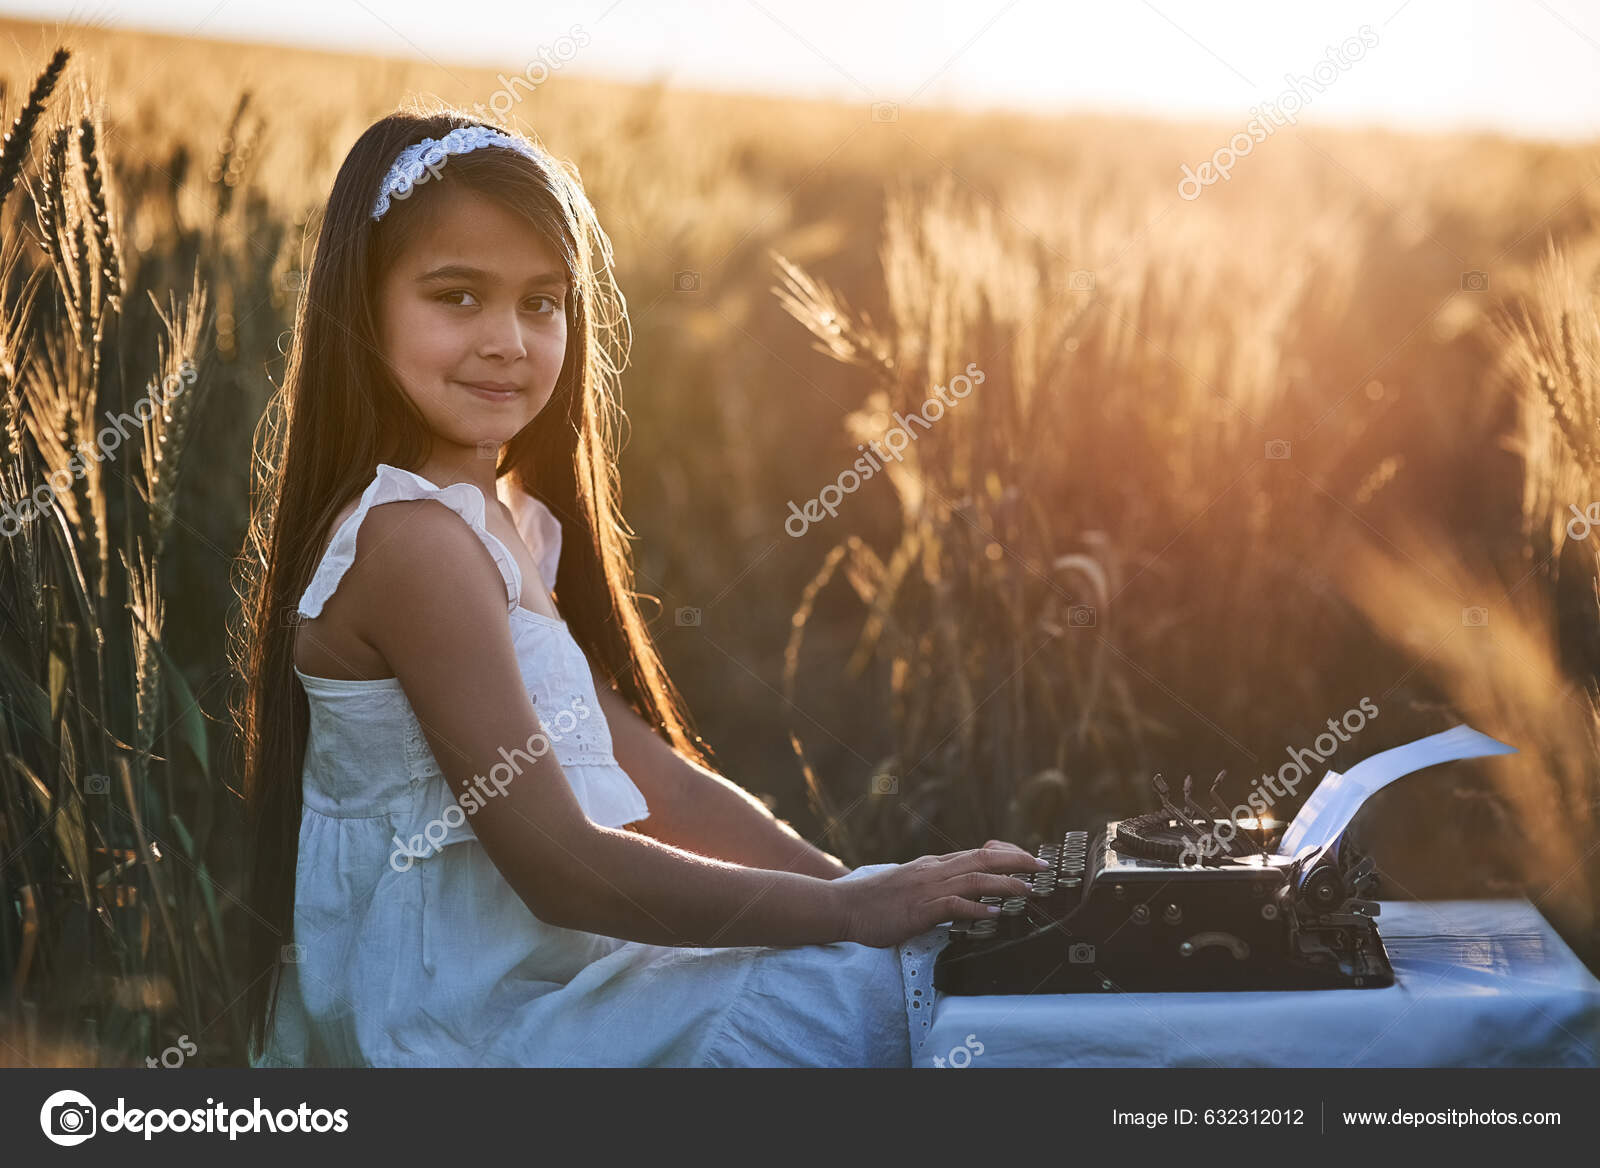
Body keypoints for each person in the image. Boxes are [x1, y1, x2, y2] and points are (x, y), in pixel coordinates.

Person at [234, 108, 1044, 1067]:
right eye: (458, 296)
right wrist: (847, 912)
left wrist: (857, 892)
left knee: (913, 974)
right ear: (360, 306)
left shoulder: (503, 520)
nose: (508, 340)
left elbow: (653, 777)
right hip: (477, 1027)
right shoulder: (412, 543)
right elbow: (561, 869)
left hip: (558, 980)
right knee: (903, 1012)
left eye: (542, 302)